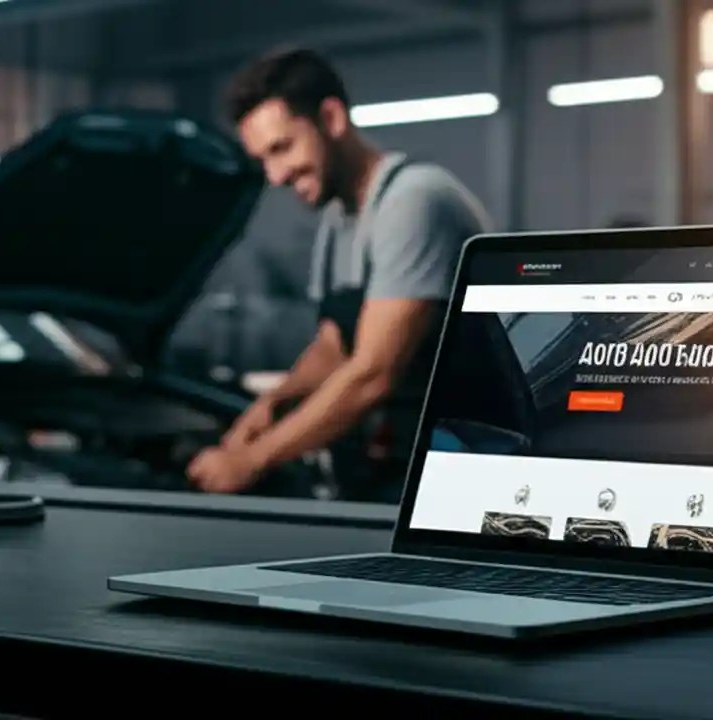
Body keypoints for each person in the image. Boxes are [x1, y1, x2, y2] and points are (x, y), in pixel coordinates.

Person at [187, 47, 493, 501]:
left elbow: (373, 372)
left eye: (282, 148)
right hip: (387, 470)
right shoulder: (338, 216)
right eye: (263, 160)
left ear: (331, 118)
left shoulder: (414, 200)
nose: (274, 176)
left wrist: (250, 461)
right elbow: (334, 346)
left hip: (449, 479)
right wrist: (272, 405)